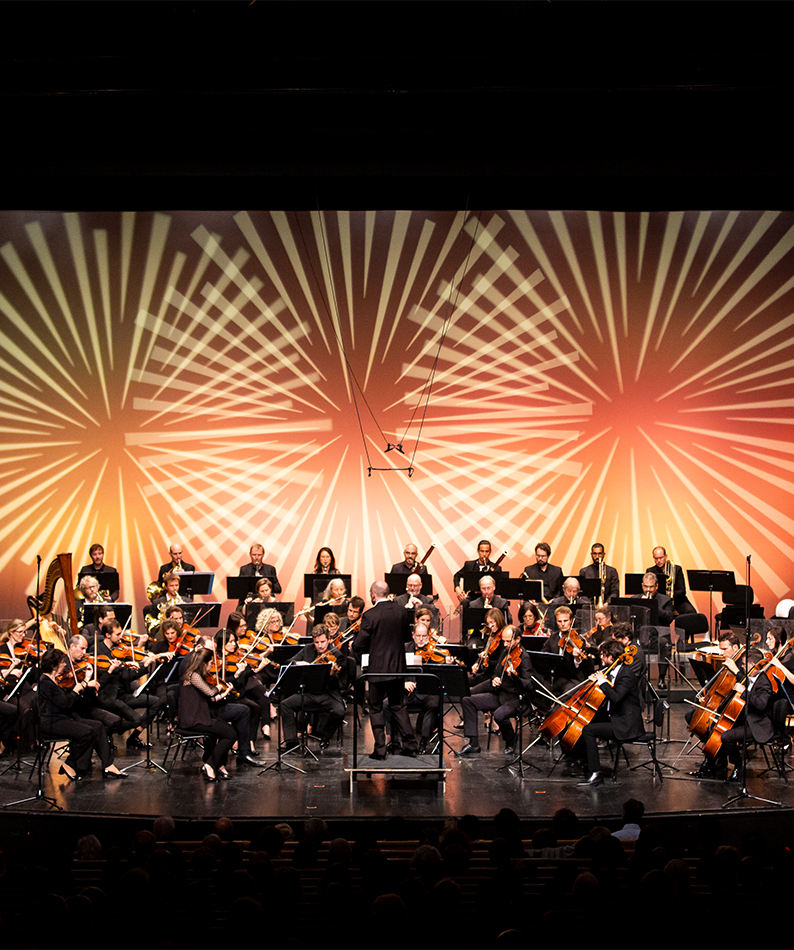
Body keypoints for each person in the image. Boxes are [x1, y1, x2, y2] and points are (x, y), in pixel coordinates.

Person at [38, 648, 126, 780]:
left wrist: (84, 684)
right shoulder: (45, 683)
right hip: (52, 722)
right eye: (62, 662)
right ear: (53, 666)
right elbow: (65, 704)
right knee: (86, 732)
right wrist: (76, 690)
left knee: (98, 726)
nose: (64, 665)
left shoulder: (53, 681)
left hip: (63, 718)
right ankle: (71, 764)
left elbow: (68, 702)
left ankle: (108, 765)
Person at [353, 580, 417, 759]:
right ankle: (411, 745)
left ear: (373, 594)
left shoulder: (370, 615)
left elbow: (359, 644)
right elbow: (407, 637)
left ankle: (380, 749)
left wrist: (355, 645)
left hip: (377, 670)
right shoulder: (401, 611)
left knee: (375, 708)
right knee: (399, 706)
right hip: (397, 668)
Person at [576, 637, 645, 787]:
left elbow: (616, 698)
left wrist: (602, 682)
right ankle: (584, 763)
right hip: (615, 717)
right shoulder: (613, 671)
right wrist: (596, 682)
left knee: (588, 730)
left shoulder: (626, 674)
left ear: (612, 657)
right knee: (584, 721)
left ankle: (596, 773)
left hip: (626, 724)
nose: (601, 658)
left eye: (603, 655)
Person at [459, 625, 535, 755]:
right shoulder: (505, 653)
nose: (505, 644)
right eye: (504, 641)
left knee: (499, 715)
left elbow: (528, 684)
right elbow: (496, 672)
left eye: (508, 641)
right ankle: (473, 743)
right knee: (468, 700)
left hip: (515, 699)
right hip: (500, 694)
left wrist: (515, 677)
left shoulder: (525, 658)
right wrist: (495, 679)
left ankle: (511, 739)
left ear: (518, 639)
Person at [279, 624, 347, 753]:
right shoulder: (307, 650)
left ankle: (326, 736)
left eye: (323, 642)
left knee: (339, 712)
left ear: (329, 640)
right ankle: (291, 742)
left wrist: (332, 674)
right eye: (317, 642)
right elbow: (288, 662)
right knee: (285, 705)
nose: (320, 646)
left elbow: (341, 683)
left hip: (327, 694)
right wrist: (298, 663)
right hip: (309, 693)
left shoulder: (336, 654)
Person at [95, 619, 162, 749]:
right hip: (107, 697)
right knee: (135, 719)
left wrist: (145, 666)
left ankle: (133, 737)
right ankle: (106, 733)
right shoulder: (99, 650)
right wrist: (117, 667)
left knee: (155, 702)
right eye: (118, 634)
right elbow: (102, 675)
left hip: (123, 694)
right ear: (108, 635)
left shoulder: (120, 650)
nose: (121, 637)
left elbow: (127, 676)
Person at [178, 645, 240, 781]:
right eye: (211, 663)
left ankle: (214, 764)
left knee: (223, 731)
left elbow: (210, 699)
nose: (212, 666)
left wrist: (225, 693)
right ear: (204, 663)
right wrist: (219, 687)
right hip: (193, 720)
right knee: (230, 733)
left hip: (198, 718)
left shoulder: (197, 676)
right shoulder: (192, 675)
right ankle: (211, 764)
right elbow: (210, 692)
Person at [631, 572, 675, 689]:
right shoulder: (635, 599)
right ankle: (635, 677)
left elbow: (669, 618)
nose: (648, 590)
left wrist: (653, 605)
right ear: (642, 585)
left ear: (656, 586)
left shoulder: (665, 600)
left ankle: (662, 677)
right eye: (646, 587)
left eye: (651, 587)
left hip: (658, 635)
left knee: (664, 643)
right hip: (640, 634)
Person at [647, 546, 696, 615]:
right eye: (656, 558)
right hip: (660, 601)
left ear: (666, 556)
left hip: (677, 601)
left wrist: (670, 595)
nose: (658, 561)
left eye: (661, 558)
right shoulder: (650, 571)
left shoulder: (677, 569)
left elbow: (682, 591)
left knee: (691, 612)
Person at [453, 540, 503, 605]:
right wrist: (457, 588)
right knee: (464, 603)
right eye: (482, 551)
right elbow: (457, 575)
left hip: (490, 598)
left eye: (487, 551)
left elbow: (500, 587)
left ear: (490, 552)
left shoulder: (496, 568)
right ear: (478, 551)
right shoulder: (469, 565)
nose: (484, 554)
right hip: (473, 597)